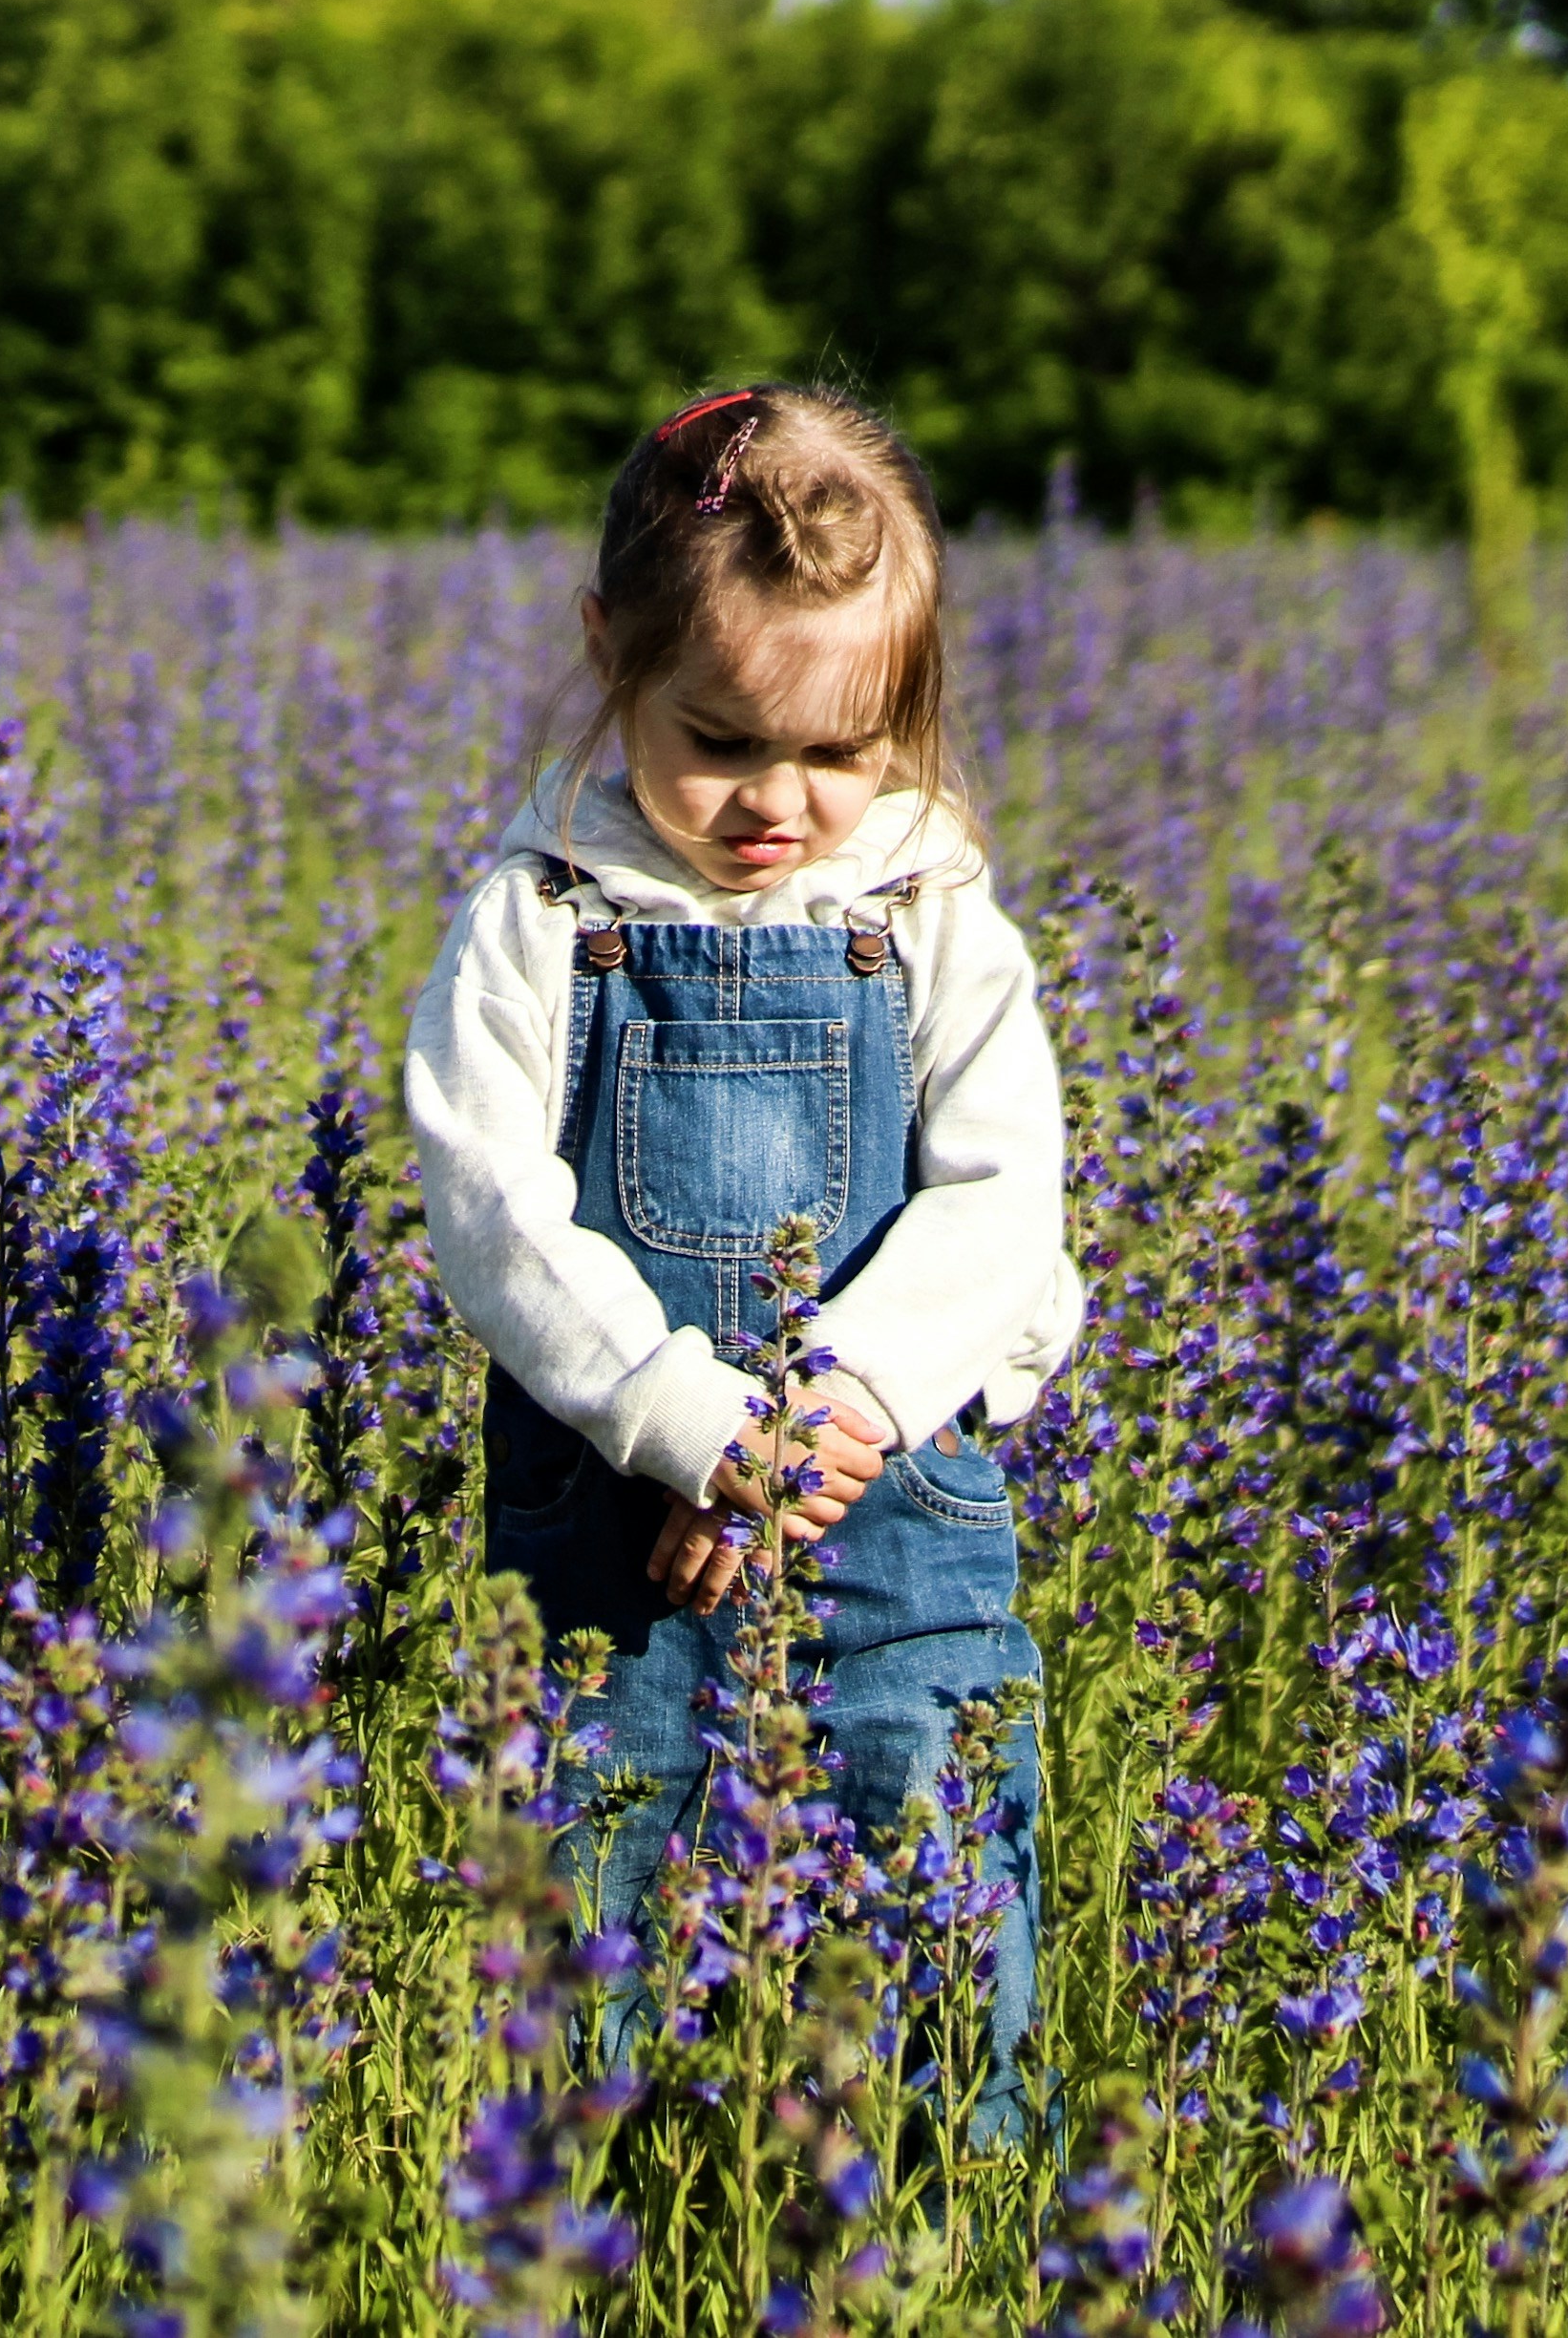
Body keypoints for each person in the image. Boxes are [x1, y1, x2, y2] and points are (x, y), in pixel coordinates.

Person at [401, 378, 1079, 2124]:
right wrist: (693, 1422)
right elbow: (488, 1205)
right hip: (629, 1545)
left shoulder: (929, 911)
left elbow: (1007, 1202)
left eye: (846, 752)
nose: (780, 801)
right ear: (609, 650)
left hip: (890, 1511)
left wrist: (845, 1401)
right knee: (590, 1931)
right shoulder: (548, 911)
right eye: (719, 737)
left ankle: (945, 2250)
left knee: (939, 1911)